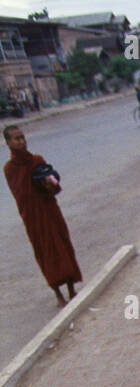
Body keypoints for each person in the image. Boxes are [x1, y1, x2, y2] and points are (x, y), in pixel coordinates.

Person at [3, 125, 81, 307]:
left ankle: (71, 289)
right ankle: (58, 294)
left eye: (22, 137)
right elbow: (20, 194)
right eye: (16, 139)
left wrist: (49, 185)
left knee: (62, 244)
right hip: (33, 217)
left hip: (50, 210)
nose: (21, 141)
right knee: (44, 252)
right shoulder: (10, 168)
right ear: (8, 143)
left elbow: (54, 184)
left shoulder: (37, 160)